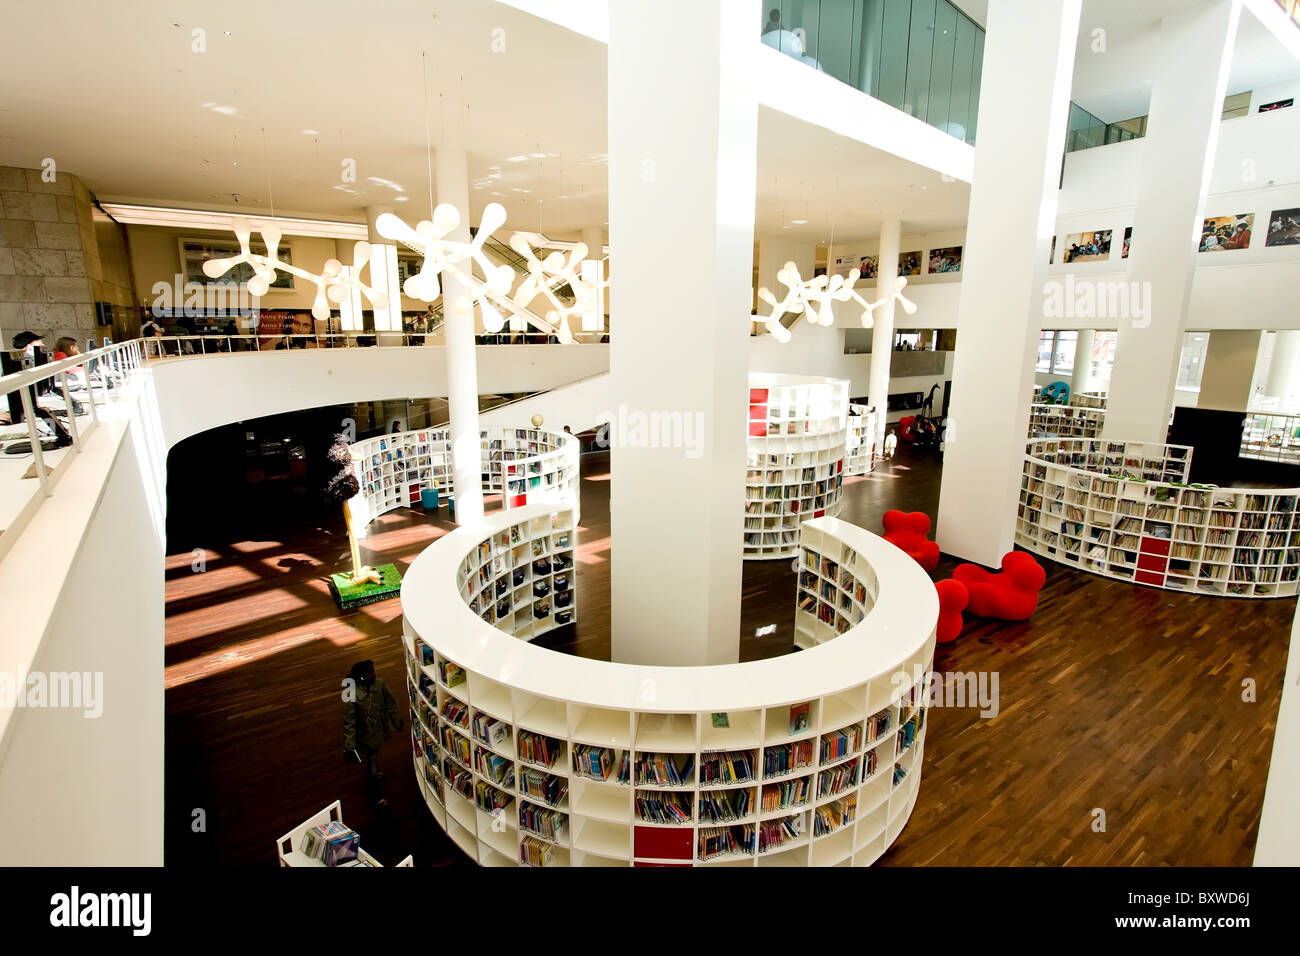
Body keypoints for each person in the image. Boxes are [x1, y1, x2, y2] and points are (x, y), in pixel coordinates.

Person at [342, 660, 404, 809]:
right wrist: (349, 745)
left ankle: (373, 776)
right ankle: (377, 795)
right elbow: (349, 722)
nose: (374, 674)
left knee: (373, 759)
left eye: (373, 670)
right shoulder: (351, 693)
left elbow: (391, 703)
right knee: (373, 760)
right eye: (370, 672)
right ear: (361, 676)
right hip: (366, 736)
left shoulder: (380, 684)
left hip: (379, 731)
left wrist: (396, 721)